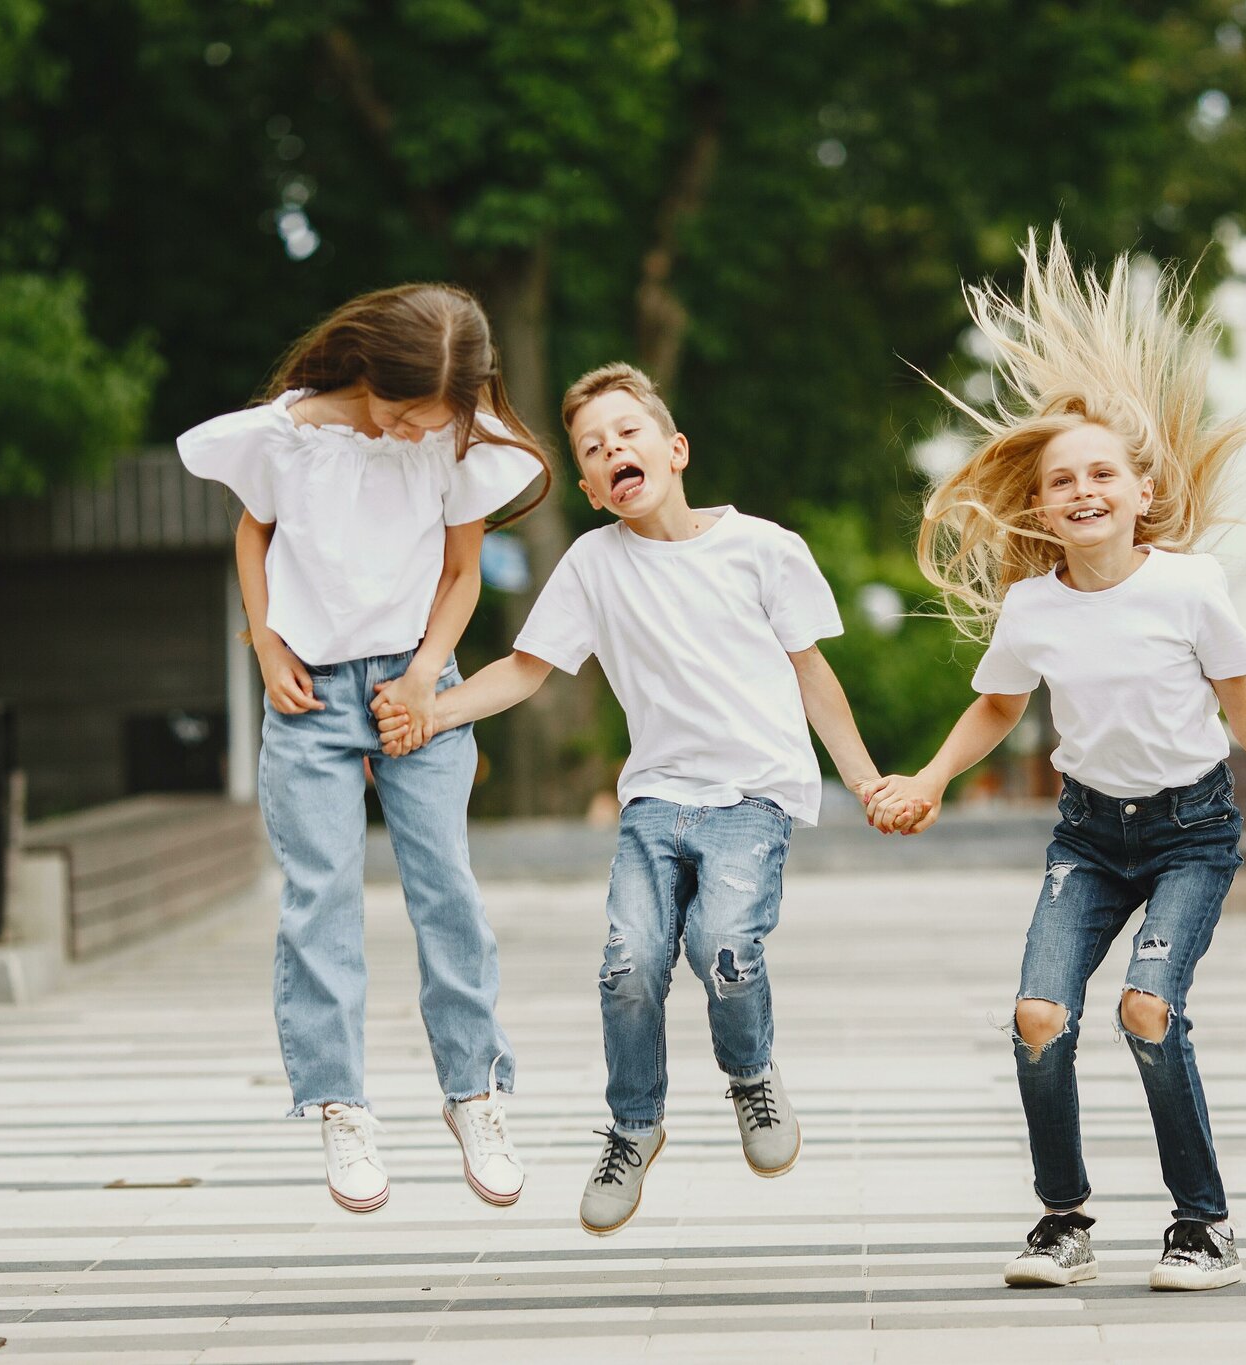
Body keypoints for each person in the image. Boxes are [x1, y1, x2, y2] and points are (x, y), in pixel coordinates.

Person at [863, 228, 1246, 1293]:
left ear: (1137, 489)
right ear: (1039, 507)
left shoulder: (1188, 588)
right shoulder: (1031, 606)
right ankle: (1061, 1221)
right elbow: (993, 707)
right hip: (1088, 835)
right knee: (1037, 1017)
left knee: (1146, 1009)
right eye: (1059, 480)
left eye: (1099, 475)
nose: (1079, 490)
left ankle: (1200, 1225)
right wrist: (927, 779)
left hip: (1189, 836)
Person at [374, 362, 891, 1237]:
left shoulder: (765, 550)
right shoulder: (592, 565)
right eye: (593, 447)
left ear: (676, 449)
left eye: (628, 432)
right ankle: (635, 1124)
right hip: (655, 801)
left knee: (726, 946)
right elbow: (526, 669)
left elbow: (813, 674)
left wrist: (866, 779)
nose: (614, 448)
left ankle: (753, 1076)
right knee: (629, 964)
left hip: (751, 797)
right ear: (587, 485)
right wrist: (432, 709)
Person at [176, 283, 550, 1214]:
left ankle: (475, 1092)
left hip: (416, 686)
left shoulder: (450, 437)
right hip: (309, 688)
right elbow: (251, 535)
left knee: (446, 890)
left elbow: (463, 572)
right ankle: (340, 1103)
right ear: (368, 370)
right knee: (320, 900)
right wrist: (264, 642)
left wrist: (427, 678)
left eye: (435, 416)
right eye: (403, 410)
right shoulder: (287, 433)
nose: (415, 431)